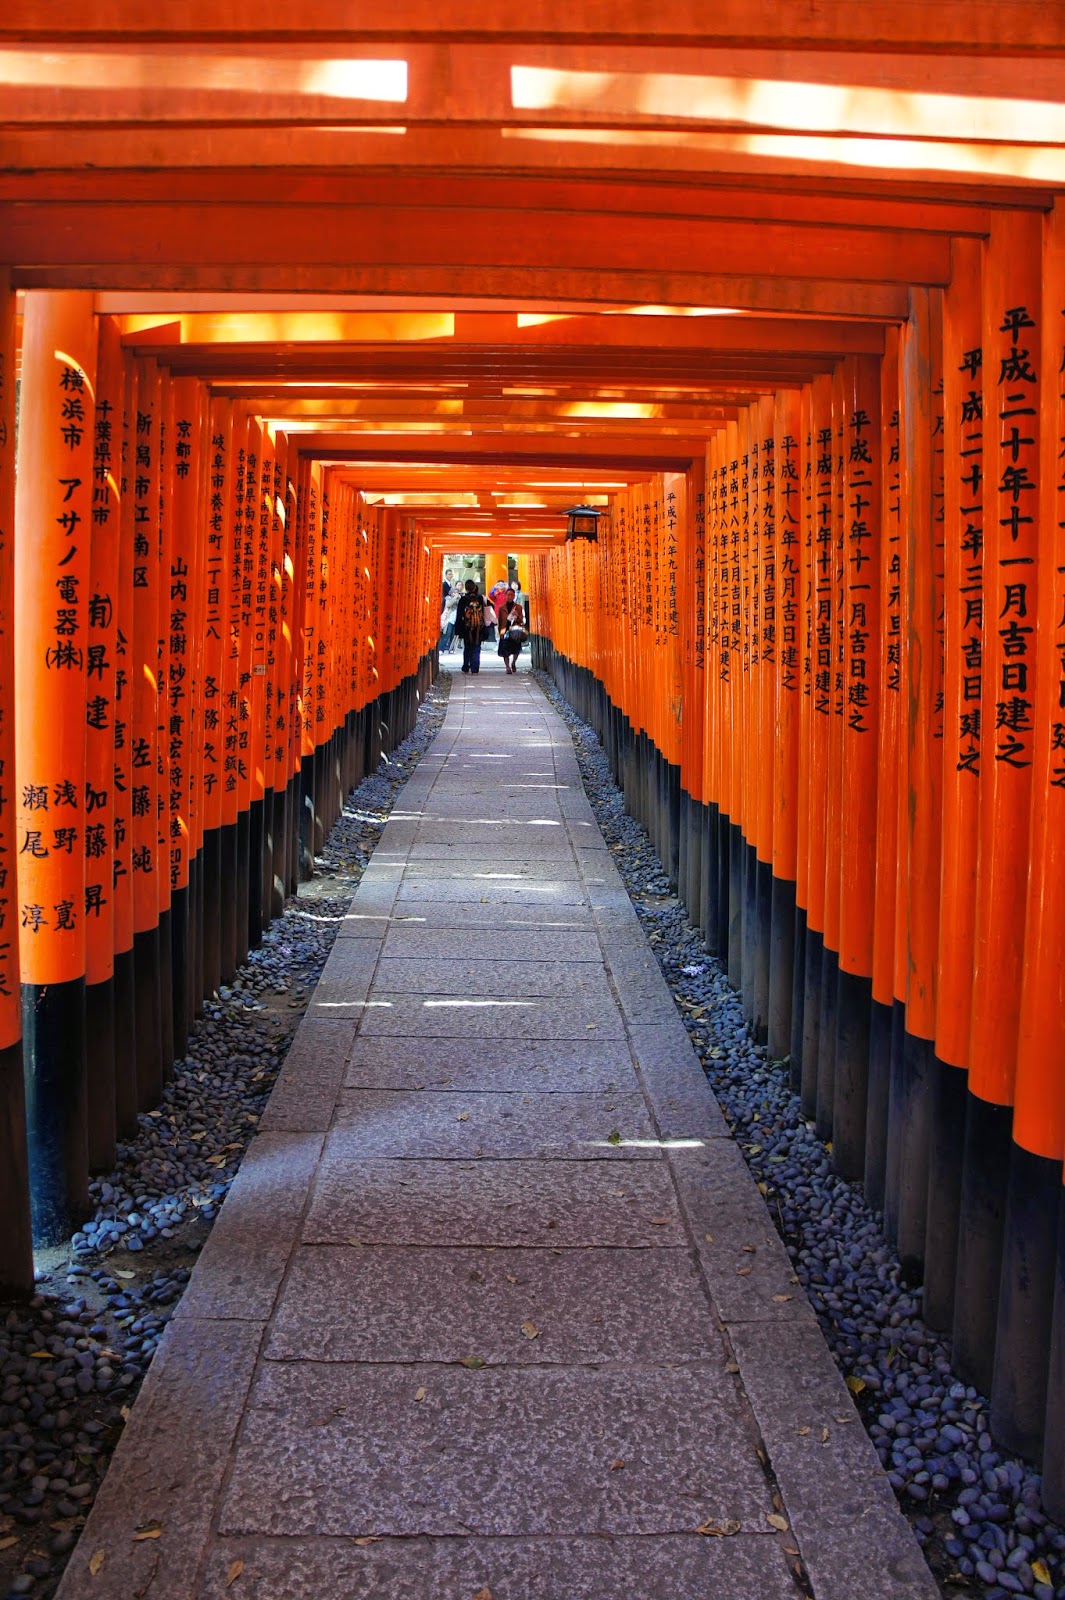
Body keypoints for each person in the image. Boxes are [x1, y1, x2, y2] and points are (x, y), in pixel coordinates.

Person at [456, 578, 490, 675]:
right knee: (476, 646)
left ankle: (466, 666)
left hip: (467, 627)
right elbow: (485, 612)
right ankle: (475, 667)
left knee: (467, 647)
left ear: (466, 588)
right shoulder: (479, 598)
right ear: (475, 587)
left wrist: (458, 630)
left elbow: (459, 615)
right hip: (479, 627)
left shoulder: (463, 599)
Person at [497, 591, 528, 675]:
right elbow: (499, 621)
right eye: (508, 595)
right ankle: (507, 667)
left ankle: (514, 662)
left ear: (514, 596)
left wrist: (517, 615)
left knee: (516, 649)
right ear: (505, 596)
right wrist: (500, 632)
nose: (510, 596)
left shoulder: (518, 607)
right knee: (505, 650)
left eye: (511, 595)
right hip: (505, 629)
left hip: (515, 630)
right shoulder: (501, 608)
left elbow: (522, 620)